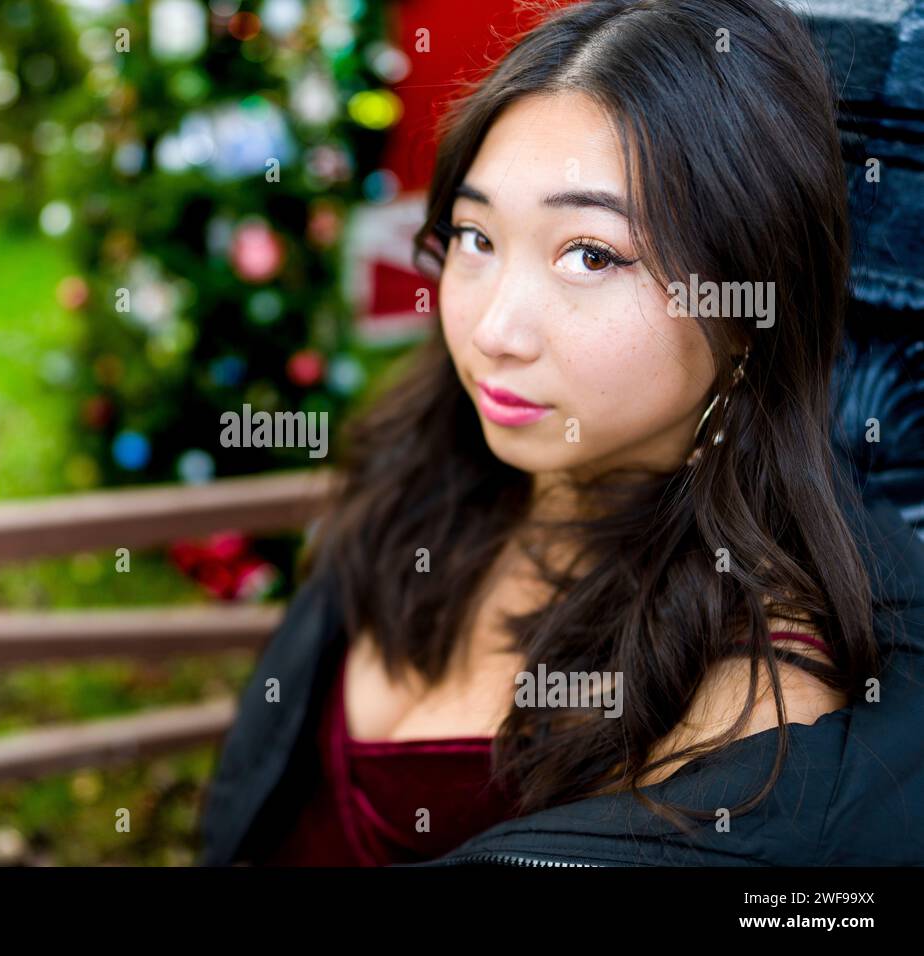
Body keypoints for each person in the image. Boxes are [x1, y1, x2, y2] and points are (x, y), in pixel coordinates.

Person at [197, 0, 924, 867]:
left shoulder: (752, 705)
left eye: (590, 254)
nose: (494, 329)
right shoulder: (432, 456)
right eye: (476, 235)